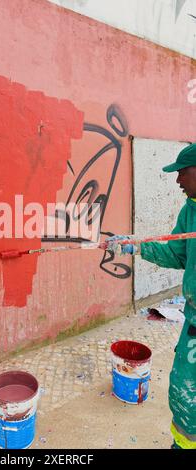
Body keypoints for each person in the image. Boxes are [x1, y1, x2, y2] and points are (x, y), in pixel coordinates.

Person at [106, 143, 196, 449]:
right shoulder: (191, 211)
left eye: (182, 173)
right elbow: (176, 252)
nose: (178, 181)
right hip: (194, 322)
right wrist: (136, 245)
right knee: (185, 396)